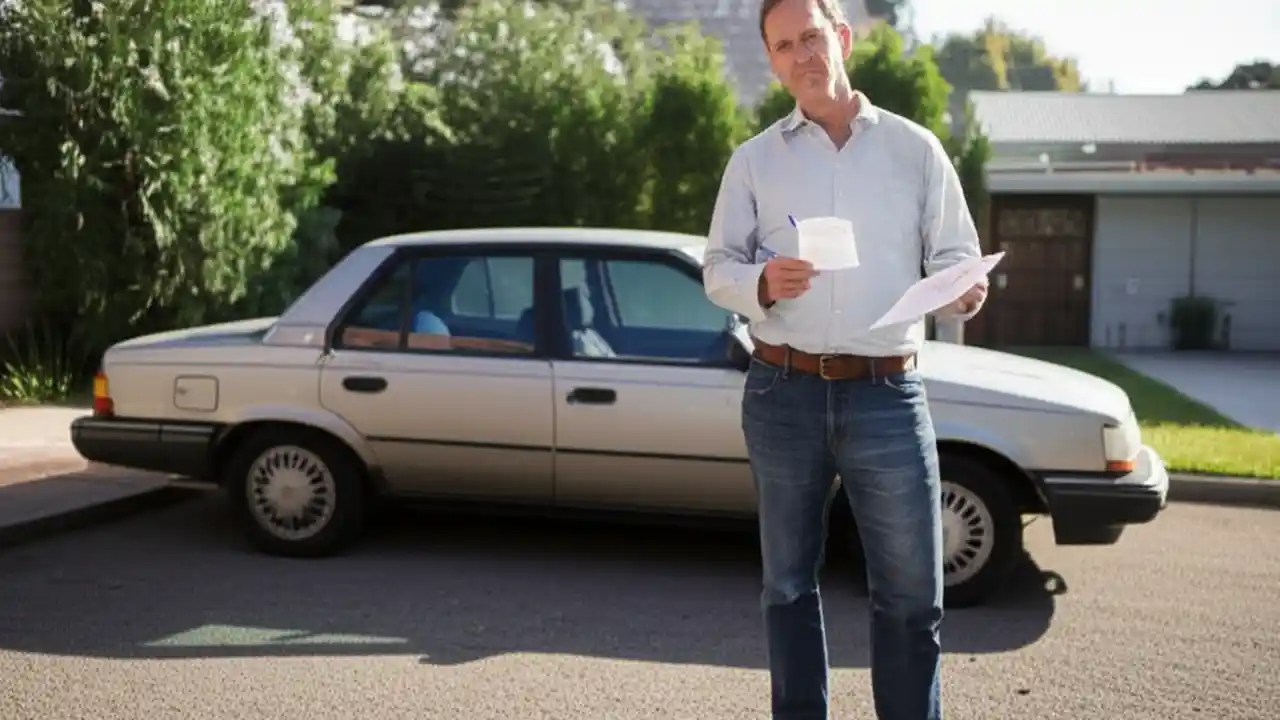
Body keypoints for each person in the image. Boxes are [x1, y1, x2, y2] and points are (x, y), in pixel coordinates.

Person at [702, 1, 987, 719]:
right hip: (781, 392)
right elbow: (717, 269)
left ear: (843, 38)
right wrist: (760, 282)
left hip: (886, 395)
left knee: (911, 595)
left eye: (811, 36)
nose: (801, 54)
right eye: (783, 44)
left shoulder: (916, 149)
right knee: (789, 586)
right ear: (771, 59)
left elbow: (956, 256)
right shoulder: (754, 160)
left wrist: (963, 290)